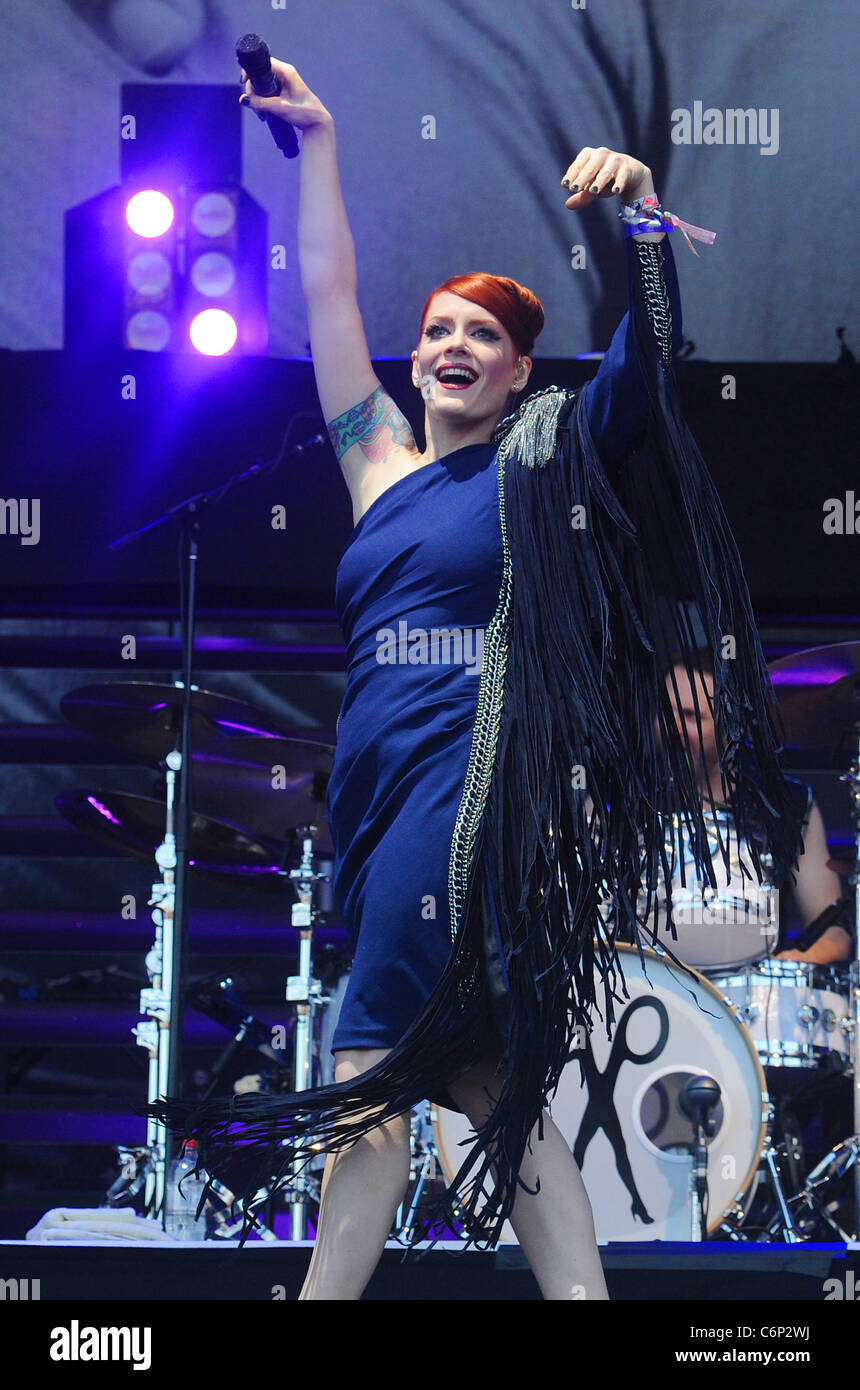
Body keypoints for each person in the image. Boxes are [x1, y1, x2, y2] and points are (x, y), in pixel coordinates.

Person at [146, 58, 806, 1300]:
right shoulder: (375, 469)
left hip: (472, 809)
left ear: (516, 375)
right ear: (416, 361)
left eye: (485, 335)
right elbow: (329, 295)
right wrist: (323, 144)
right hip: (382, 799)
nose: (454, 343)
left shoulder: (541, 466)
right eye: (439, 327)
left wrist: (644, 222)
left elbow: (652, 366)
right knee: (494, 1098)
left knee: (369, 1081)